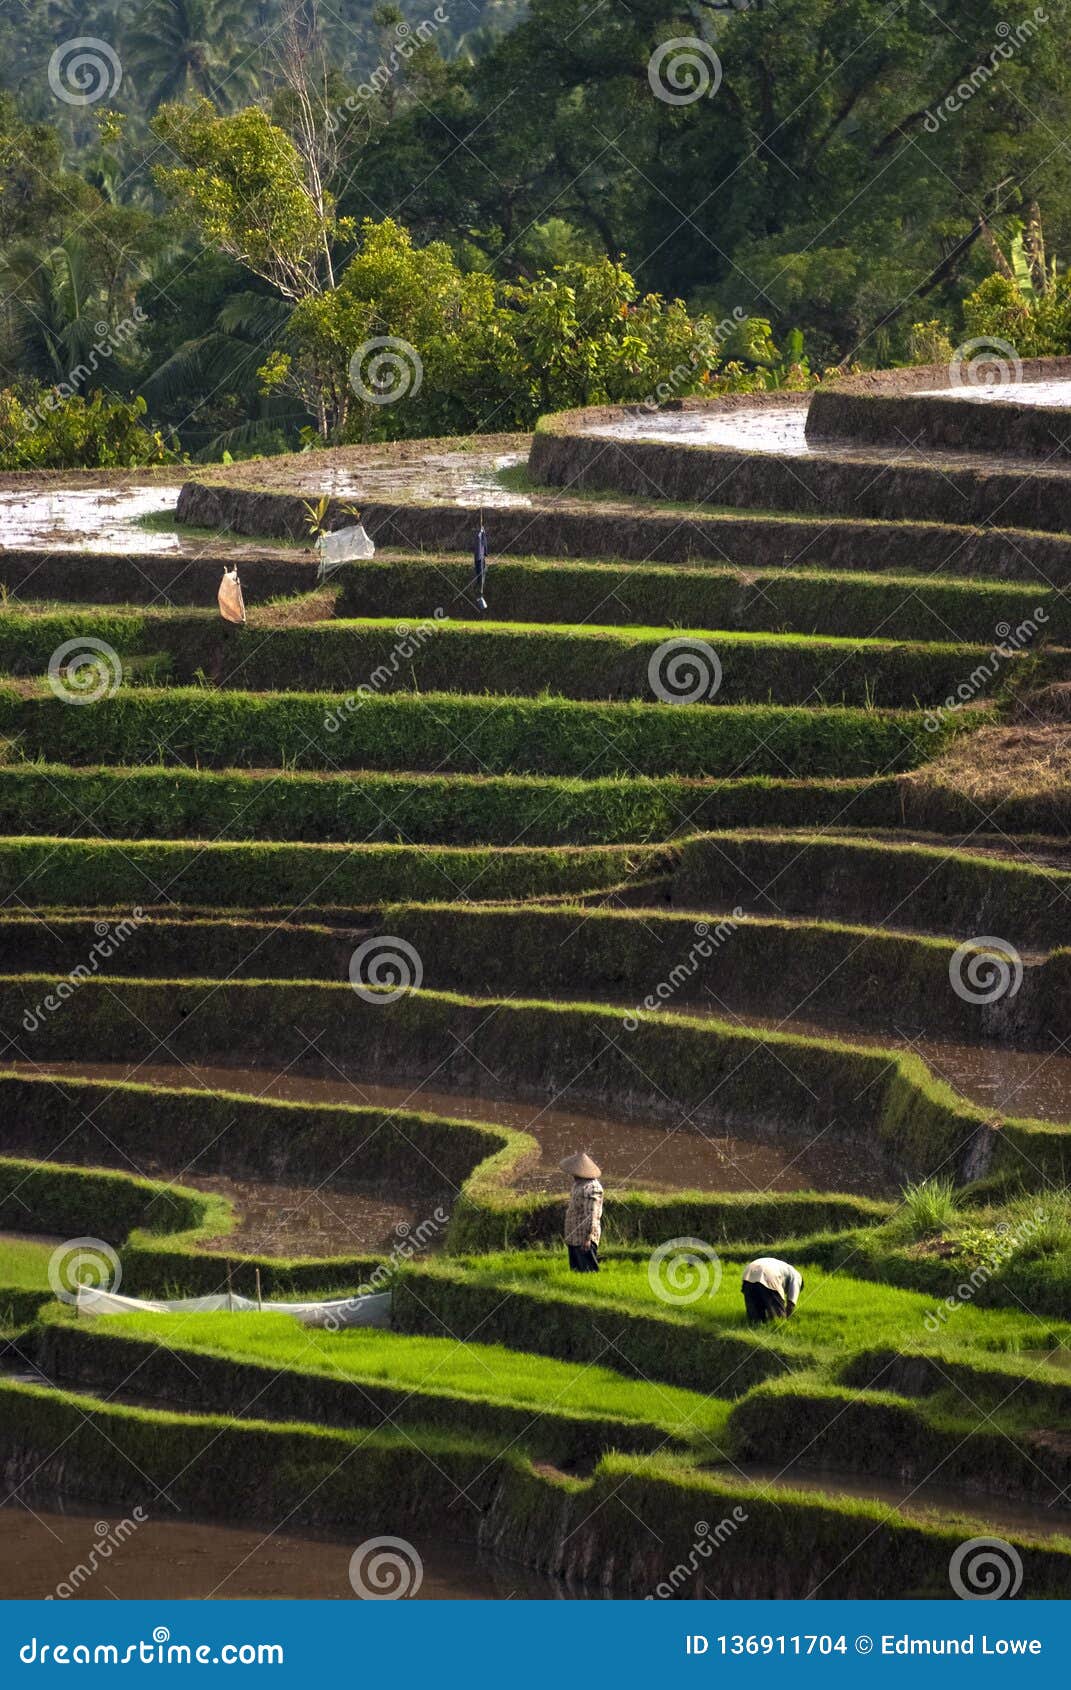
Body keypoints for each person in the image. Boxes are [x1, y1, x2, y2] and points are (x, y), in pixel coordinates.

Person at [561, 1152, 603, 1272]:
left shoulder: (592, 1188)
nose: (572, 1174)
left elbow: (591, 1215)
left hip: (583, 1238)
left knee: (588, 1271)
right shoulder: (578, 1184)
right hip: (574, 1236)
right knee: (576, 1271)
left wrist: (587, 1238)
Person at [741, 1256, 803, 1323]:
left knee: (755, 1319)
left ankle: (756, 1324)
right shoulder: (797, 1276)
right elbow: (791, 1303)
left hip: (749, 1270)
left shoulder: (785, 1267)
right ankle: (778, 1326)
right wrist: (786, 1317)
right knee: (778, 1320)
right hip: (768, 1273)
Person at [473, 522, 489, 610]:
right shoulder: (479, 536)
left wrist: (485, 552)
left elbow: (484, 544)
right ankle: (480, 595)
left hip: (481, 558)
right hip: (479, 558)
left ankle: (480, 595)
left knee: (482, 576)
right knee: (480, 576)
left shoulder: (482, 535)